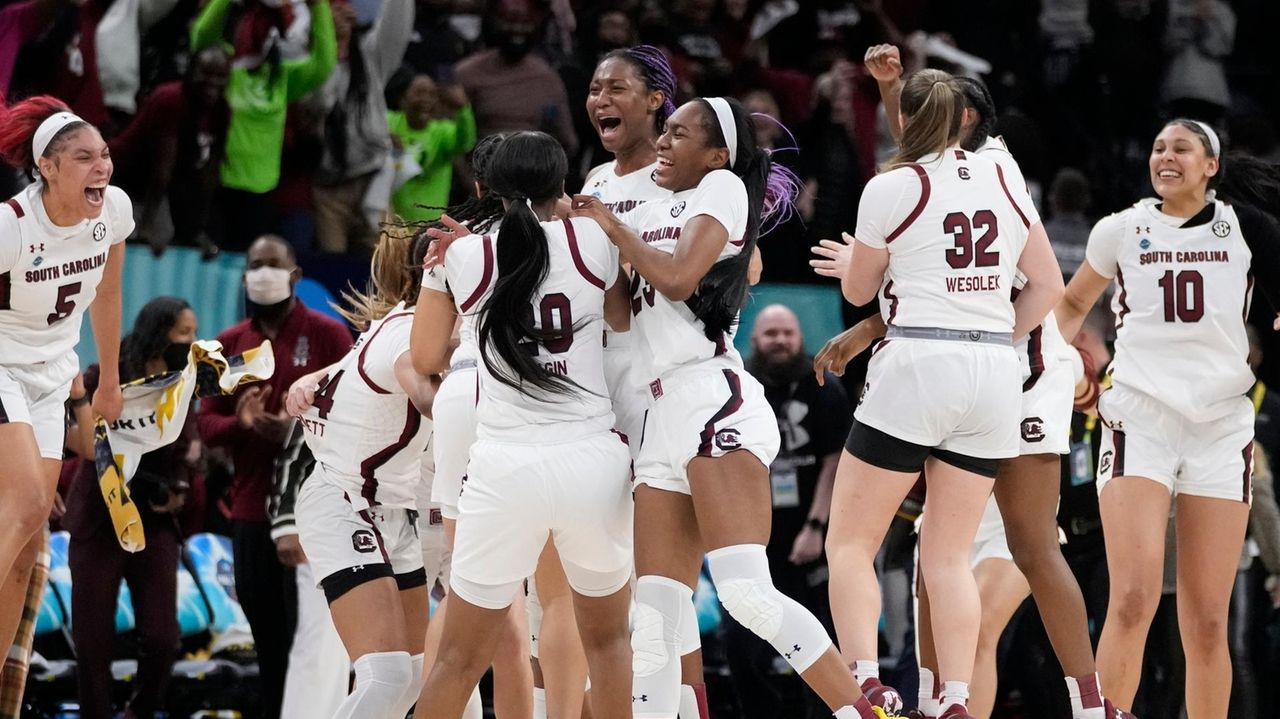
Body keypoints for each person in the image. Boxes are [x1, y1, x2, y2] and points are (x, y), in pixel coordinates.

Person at [570, 96, 880, 719]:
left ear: (717, 153)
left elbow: (681, 279)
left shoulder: (723, 189)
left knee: (746, 595)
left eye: (678, 133)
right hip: (659, 413)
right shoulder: (652, 201)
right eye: (665, 130)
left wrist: (614, 229)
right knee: (655, 616)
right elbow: (630, 310)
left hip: (713, 398)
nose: (662, 141)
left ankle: (865, 711)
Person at [823, 49, 1110, 719]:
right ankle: (953, 697)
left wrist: (868, 273)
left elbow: (861, 287)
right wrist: (992, 334)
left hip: (920, 360)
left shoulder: (888, 186)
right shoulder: (1006, 178)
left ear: (906, 123)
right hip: (993, 374)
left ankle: (867, 681)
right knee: (947, 551)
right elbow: (1047, 286)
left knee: (852, 542)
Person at [1054, 119, 1280, 719]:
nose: (1165, 156)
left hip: (1220, 427)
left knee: (1207, 619)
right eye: (1157, 148)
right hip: (1139, 419)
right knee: (1131, 597)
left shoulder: (1248, 228)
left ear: (1212, 165)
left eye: (1181, 148)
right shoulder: (1122, 229)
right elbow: (1074, 302)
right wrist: (1048, 368)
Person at [410, 130, 634, 718]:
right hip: (590, 459)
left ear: (488, 191)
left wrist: (465, 248)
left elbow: (427, 353)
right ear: (562, 186)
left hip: (504, 467)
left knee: (459, 658)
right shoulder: (593, 241)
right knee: (609, 642)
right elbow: (621, 321)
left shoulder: (462, 256)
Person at [195, 235, 352, 719]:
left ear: (296, 276)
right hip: (249, 509)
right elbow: (204, 423)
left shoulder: (329, 334)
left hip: (315, 512)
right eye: (254, 264)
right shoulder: (224, 344)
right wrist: (240, 424)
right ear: (244, 277)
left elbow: (349, 412)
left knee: (314, 637)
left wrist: (297, 429)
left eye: (273, 264)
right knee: (266, 635)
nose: (263, 272)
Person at [283, 226, 436, 718]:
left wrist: (309, 380)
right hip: (346, 503)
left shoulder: (397, 324)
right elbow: (431, 397)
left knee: (413, 675)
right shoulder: (408, 338)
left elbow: (344, 372)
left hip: (390, 509)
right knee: (388, 675)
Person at [0, 96, 128, 664]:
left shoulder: (113, 211)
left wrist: (109, 382)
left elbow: (108, 292)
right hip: (1, 364)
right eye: (83, 158)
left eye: (104, 155)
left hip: (53, 374)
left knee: (28, 551)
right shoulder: (10, 225)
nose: (101, 167)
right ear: (47, 168)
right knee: (27, 501)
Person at [415, 132, 534, 719]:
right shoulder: (578, 235)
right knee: (558, 606)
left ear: (480, 186)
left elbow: (424, 355)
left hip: (471, 393)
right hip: (564, 410)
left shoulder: (453, 246)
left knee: (479, 595)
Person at [63, 297, 200, 719]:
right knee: (93, 640)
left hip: (154, 522)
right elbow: (80, 440)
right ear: (160, 332)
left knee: (163, 637)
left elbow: (188, 445)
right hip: (100, 517)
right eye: (184, 332)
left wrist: (177, 487)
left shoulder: (183, 380)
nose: (192, 341)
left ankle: (138, 713)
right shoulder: (106, 375)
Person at [729, 304, 851, 719]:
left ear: (800, 338)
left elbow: (836, 461)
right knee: (743, 643)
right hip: (752, 536)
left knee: (820, 636)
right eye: (770, 333)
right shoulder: (739, 386)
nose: (780, 340)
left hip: (810, 535)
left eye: (787, 333)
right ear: (754, 339)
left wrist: (817, 526)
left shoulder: (823, 387)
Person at [189, 0, 336, 251]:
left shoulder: (284, 79)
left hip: (259, 193)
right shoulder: (226, 70)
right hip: (216, 187)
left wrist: (318, 6)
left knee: (241, 271)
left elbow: (324, 63)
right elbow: (202, 35)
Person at [312, 0, 414, 254]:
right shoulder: (310, 62)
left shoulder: (371, 56)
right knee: (332, 272)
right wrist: (330, 46)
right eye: (336, 6)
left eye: (348, 7)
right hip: (329, 188)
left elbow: (397, 25)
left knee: (384, 270)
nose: (345, 11)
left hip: (373, 182)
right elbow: (319, 102)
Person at [110, 46, 232, 257]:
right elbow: (162, 170)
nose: (213, 82)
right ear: (191, 71)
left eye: (221, 76)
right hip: (121, 177)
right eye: (206, 73)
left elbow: (210, 172)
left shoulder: (222, 110)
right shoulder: (170, 99)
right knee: (138, 243)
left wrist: (198, 230)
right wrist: (146, 227)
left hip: (159, 187)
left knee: (166, 242)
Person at [455, 0, 578, 158]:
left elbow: (567, 141)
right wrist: (470, 181)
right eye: (510, 22)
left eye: (525, 24)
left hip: (534, 171)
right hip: (482, 169)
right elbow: (447, 140)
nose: (518, 30)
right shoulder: (467, 73)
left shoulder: (546, 77)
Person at [386, 75, 477, 223]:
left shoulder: (443, 133)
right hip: (391, 224)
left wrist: (463, 109)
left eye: (431, 94)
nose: (425, 99)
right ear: (403, 98)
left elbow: (466, 142)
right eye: (419, 93)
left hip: (429, 227)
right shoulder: (389, 123)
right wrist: (384, 140)